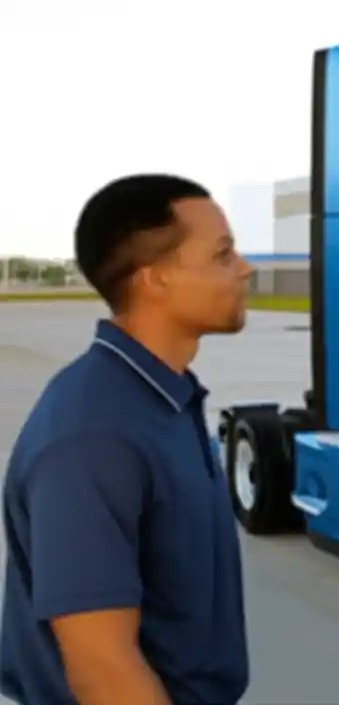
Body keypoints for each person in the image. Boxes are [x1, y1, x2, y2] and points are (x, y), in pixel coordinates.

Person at [0, 174, 254, 704]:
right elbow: (105, 671)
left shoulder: (165, 398)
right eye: (223, 254)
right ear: (154, 278)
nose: (245, 268)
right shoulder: (93, 436)